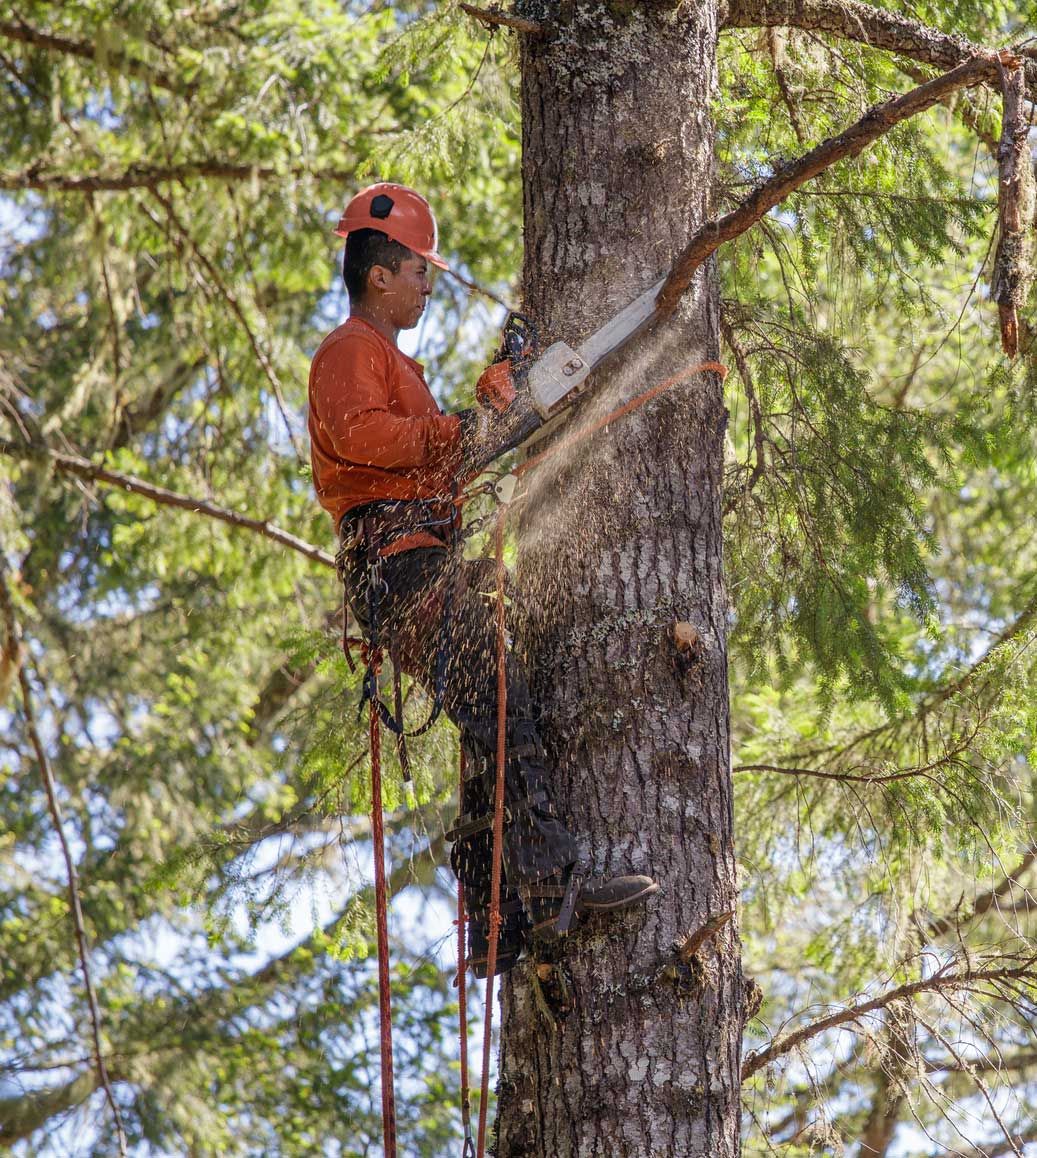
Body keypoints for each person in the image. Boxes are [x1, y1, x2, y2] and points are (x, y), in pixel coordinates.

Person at [308, 182, 658, 976]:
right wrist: (465, 428)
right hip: (396, 563)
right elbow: (368, 436)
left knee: (485, 704)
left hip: (413, 557)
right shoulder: (349, 353)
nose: (429, 286)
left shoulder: (389, 362)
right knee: (497, 699)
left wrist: (496, 407)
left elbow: (428, 453)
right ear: (379, 276)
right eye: (419, 273)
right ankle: (550, 886)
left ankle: (495, 920)